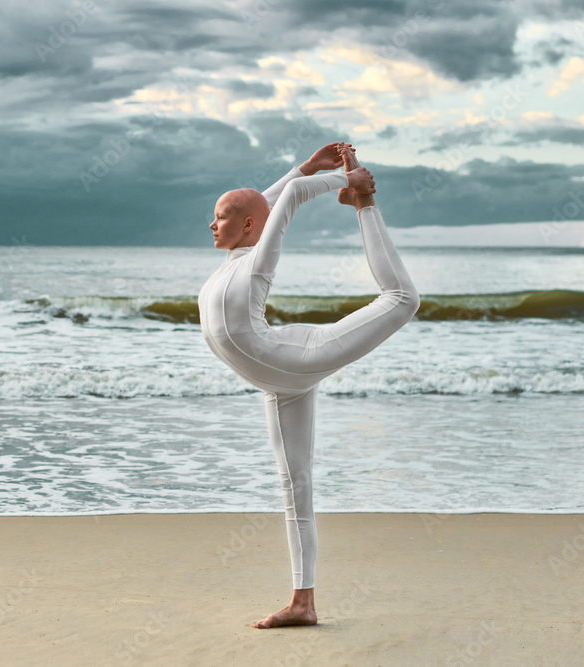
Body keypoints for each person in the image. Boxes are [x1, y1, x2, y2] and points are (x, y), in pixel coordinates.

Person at [197, 142, 420, 628]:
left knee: (403, 298)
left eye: (219, 216)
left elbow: (288, 199)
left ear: (248, 227)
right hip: (282, 386)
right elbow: (265, 202)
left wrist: (349, 183)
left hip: (300, 357)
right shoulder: (235, 256)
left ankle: (367, 208)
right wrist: (307, 165)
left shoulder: (255, 262)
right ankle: (303, 603)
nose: (211, 225)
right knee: (295, 486)